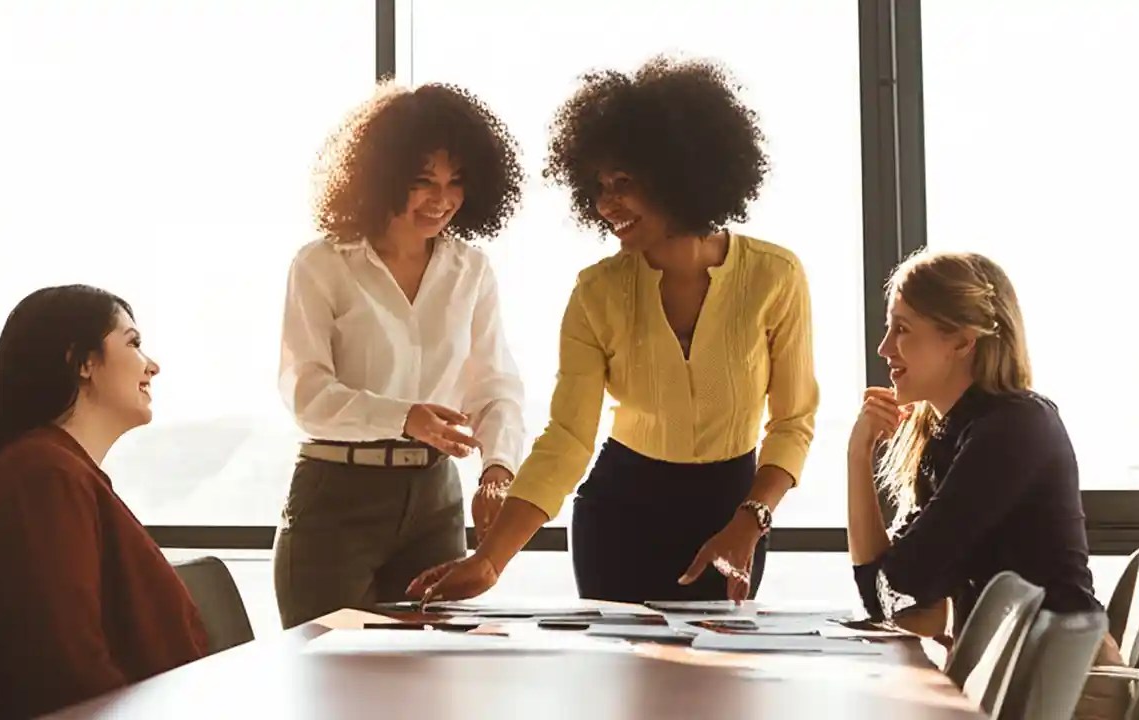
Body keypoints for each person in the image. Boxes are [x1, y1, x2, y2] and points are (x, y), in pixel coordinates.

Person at [410, 55, 818, 604]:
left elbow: (793, 422)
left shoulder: (776, 275)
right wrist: (490, 562)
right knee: (621, 687)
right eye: (598, 186)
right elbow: (569, 438)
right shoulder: (595, 292)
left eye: (623, 182)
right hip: (620, 517)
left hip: (736, 516)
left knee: (722, 686)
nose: (606, 203)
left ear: (681, 172)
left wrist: (752, 518)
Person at [275, 81, 526, 627]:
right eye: (422, 182)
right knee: (329, 687)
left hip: (435, 499)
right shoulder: (321, 265)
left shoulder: (472, 271)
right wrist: (404, 418)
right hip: (335, 499)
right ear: (381, 177)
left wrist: (498, 469)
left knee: (428, 684)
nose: (442, 200)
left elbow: (495, 386)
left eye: (456, 182)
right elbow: (306, 395)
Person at [845, 250, 1126, 719]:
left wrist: (908, 593)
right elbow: (898, 601)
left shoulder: (1013, 429)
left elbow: (897, 588)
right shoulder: (949, 435)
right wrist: (857, 458)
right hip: (1011, 675)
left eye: (903, 329)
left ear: (960, 341)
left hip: (1065, 687)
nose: (884, 348)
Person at [0, 285, 207, 719]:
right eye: (134, 343)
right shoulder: (41, 478)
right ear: (82, 362)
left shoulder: (57, 472)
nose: (153, 366)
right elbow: (67, 674)